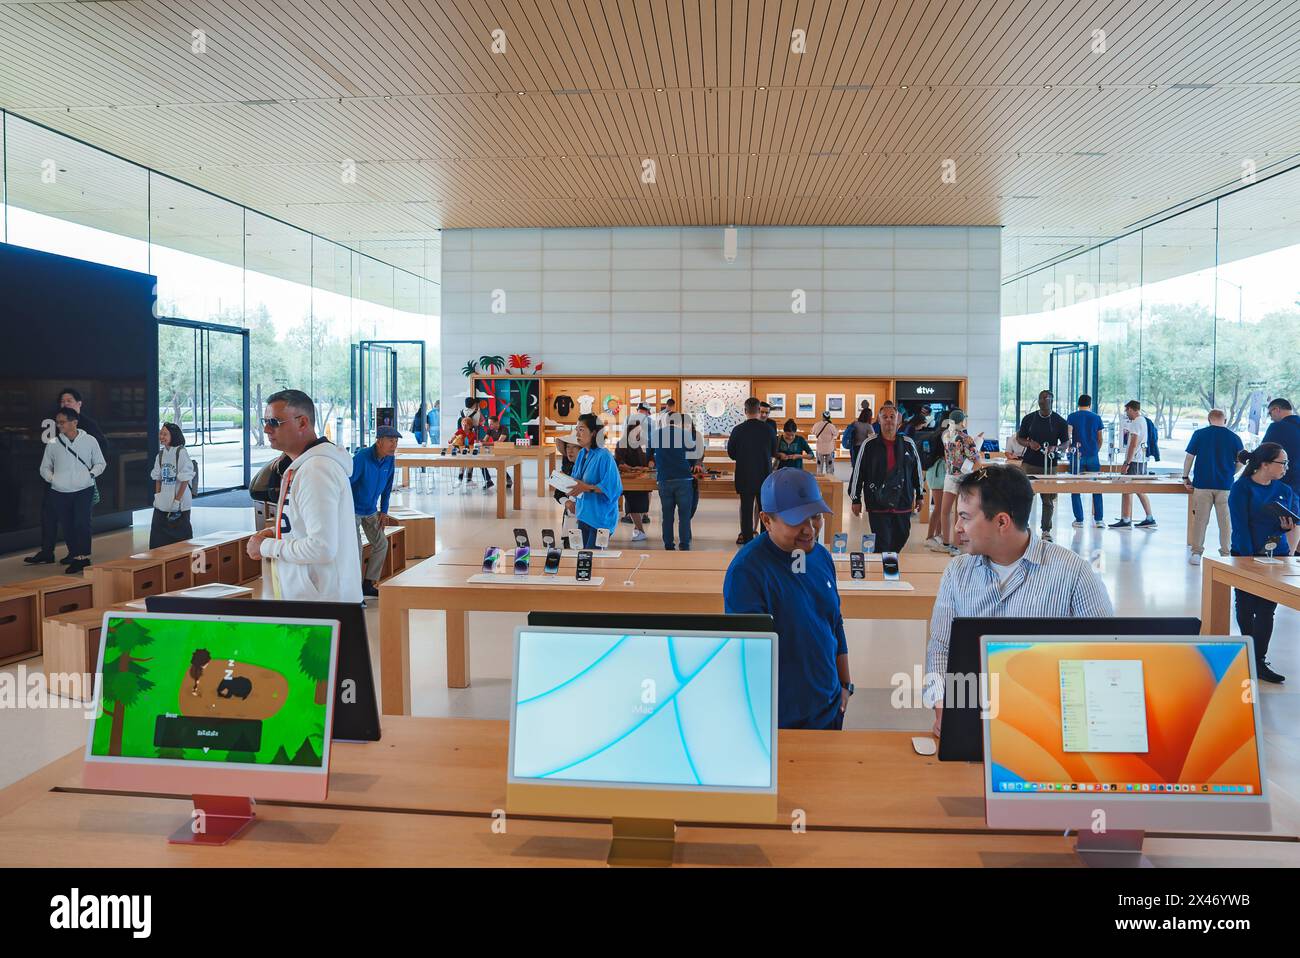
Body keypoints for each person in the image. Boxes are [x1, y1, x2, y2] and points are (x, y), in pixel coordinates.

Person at [924, 464, 1115, 734]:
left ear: (1002, 522)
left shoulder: (1074, 573)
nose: (957, 527)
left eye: (965, 517)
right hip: (974, 720)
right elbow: (942, 649)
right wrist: (944, 705)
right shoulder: (958, 572)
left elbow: (1105, 654)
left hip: (1049, 726)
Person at [723, 469, 852, 730]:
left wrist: (846, 685)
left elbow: (834, 622)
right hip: (780, 719)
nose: (809, 529)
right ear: (766, 521)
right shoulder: (747, 573)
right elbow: (749, 658)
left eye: (815, 516)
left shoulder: (821, 557)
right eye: (796, 520)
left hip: (828, 707)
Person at [244, 389, 362, 603]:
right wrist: (279, 531)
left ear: (302, 423)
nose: (266, 429)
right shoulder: (304, 466)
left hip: (321, 605)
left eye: (275, 422)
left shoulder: (316, 469)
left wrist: (265, 547)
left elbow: (321, 547)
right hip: (309, 602)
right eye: (265, 421)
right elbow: (311, 526)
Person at [1228, 443, 1298, 683]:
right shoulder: (1241, 489)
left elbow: (1290, 520)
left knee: (1267, 609)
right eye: (1282, 462)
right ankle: (1248, 655)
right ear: (1264, 464)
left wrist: (1285, 529)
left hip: (1275, 557)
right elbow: (1240, 526)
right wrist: (1248, 561)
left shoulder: (1284, 490)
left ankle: (1258, 659)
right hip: (1245, 554)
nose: (1286, 467)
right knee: (1246, 607)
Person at [33, 407, 105, 573]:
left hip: (84, 488)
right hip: (59, 491)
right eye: (58, 422)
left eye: (62, 422)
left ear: (74, 422)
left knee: (82, 522)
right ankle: (74, 554)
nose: (59, 425)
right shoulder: (53, 443)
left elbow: (101, 463)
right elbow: (44, 467)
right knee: (67, 525)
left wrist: (90, 475)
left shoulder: (90, 440)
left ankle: (83, 557)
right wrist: (53, 479)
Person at [848, 403, 923, 553]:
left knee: (902, 536)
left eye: (892, 417)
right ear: (879, 420)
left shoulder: (908, 444)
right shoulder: (869, 444)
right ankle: (884, 570)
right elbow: (858, 471)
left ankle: (889, 562)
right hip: (877, 501)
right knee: (882, 541)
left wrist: (920, 494)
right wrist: (856, 498)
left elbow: (917, 470)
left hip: (903, 499)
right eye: (885, 417)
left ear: (898, 421)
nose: (888, 420)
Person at [1183, 408, 1243, 565]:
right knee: (1225, 522)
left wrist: (1185, 477)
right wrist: (1231, 473)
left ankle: (1196, 553)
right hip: (1225, 486)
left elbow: (1189, 457)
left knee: (1200, 520)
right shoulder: (1234, 438)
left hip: (1202, 484)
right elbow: (1241, 461)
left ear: (1209, 420)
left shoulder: (1199, 434)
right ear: (1225, 420)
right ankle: (1225, 553)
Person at [1015, 389, 1070, 542]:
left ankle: (1046, 530)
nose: (1044, 402)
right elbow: (1019, 438)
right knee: (1025, 496)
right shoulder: (1029, 419)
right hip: (1029, 463)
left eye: (1047, 400)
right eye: (1041, 399)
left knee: (1048, 499)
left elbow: (1066, 442)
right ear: (1038, 401)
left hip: (1050, 464)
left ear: (1052, 402)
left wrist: (1056, 448)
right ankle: (1022, 527)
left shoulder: (1059, 421)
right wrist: (1028, 443)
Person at [351, 425, 399, 598]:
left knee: (381, 544)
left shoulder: (390, 459)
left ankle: (368, 583)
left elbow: (387, 487)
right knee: (355, 550)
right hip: (353, 511)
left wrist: (384, 511)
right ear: (379, 441)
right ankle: (354, 592)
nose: (394, 445)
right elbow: (347, 484)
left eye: (396, 441)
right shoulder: (361, 458)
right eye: (390, 441)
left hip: (371, 510)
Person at [649, 409, 705, 550]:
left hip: (664, 479)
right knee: (684, 516)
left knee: (667, 515)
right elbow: (694, 455)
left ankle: (668, 544)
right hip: (684, 479)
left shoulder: (656, 434)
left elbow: (649, 456)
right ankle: (684, 544)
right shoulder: (685, 435)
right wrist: (693, 466)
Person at [566, 413, 623, 548]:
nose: (577, 434)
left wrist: (586, 487)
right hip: (583, 515)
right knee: (584, 558)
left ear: (593, 433)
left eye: (581, 429)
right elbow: (577, 481)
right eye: (576, 429)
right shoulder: (582, 454)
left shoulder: (604, 456)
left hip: (600, 519)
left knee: (594, 560)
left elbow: (614, 488)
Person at [727, 397, 778, 544]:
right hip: (764, 475)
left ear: (745, 411)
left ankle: (748, 540)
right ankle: (764, 540)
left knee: (746, 510)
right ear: (758, 411)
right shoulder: (768, 430)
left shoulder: (738, 430)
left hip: (744, 475)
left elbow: (731, 454)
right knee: (764, 510)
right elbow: (774, 451)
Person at [935, 409, 979, 556]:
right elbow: (975, 459)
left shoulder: (946, 436)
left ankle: (946, 543)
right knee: (963, 512)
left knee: (945, 511)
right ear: (962, 421)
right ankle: (959, 543)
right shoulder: (966, 438)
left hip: (949, 476)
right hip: (964, 478)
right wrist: (977, 441)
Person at [1110, 399, 1156, 530]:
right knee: (1134, 489)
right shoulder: (1143, 421)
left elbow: (1133, 444)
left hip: (1135, 461)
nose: (1126, 413)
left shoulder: (1136, 422)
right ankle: (1139, 518)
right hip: (1140, 460)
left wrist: (1126, 463)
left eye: (1126, 410)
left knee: (1129, 489)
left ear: (1131, 409)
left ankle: (1128, 519)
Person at [148, 422, 195, 548]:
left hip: (180, 503)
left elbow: (185, 479)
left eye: (165, 434)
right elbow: (158, 477)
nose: (161, 436)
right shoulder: (161, 454)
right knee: (158, 538)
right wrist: (157, 496)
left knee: (181, 540)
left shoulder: (181, 452)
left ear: (173, 435)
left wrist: (177, 501)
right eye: (160, 434)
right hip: (163, 501)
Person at [1262, 398, 1300, 552]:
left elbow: (1263, 452)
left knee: (1283, 520)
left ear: (1277, 409)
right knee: (1296, 520)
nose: (1270, 417)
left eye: (1270, 413)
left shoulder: (1277, 428)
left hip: (1286, 481)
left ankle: (1283, 556)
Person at [1065, 394, 1105, 528]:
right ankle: (1099, 519)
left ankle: (1079, 520)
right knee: (1097, 487)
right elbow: (1100, 439)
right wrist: (1095, 450)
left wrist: (1071, 450)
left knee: (1075, 487)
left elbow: (1068, 436)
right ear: (1090, 404)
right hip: (1093, 455)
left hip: (1077, 456)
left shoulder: (1072, 417)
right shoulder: (1096, 418)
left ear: (1078, 403)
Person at [615, 418, 651, 542]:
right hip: (629, 480)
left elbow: (643, 460)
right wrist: (632, 468)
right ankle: (640, 530)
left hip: (640, 478)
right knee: (633, 505)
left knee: (641, 505)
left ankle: (638, 529)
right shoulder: (622, 444)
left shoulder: (637, 444)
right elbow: (619, 463)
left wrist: (646, 466)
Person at [479, 414, 512, 488]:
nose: (490, 425)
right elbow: (484, 440)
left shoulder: (504, 429)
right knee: (481, 463)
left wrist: (484, 443)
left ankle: (508, 479)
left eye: (491, 424)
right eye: (489, 424)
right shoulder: (490, 429)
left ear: (497, 422)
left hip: (505, 451)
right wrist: (481, 441)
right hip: (495, 451)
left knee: (498, 466)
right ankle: (488, 481)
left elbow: (499, 442)